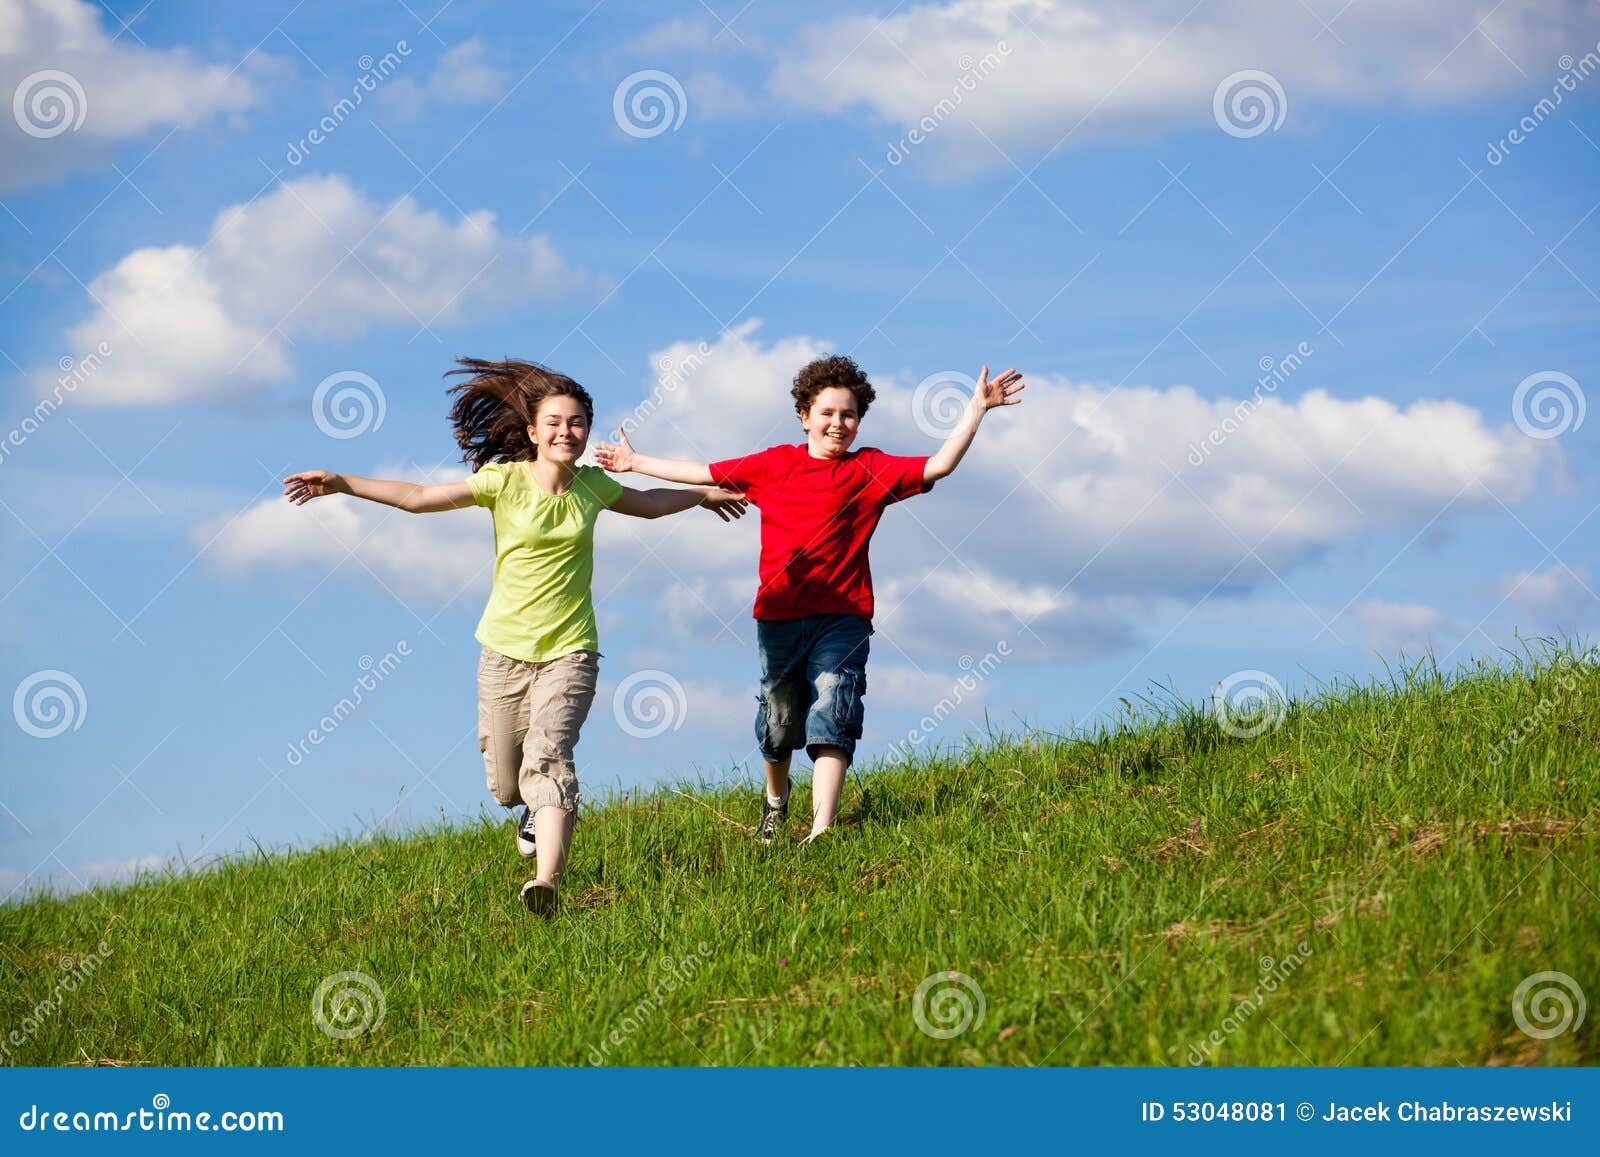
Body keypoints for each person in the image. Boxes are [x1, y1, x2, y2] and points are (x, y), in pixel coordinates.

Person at [283, 358, 747, 912]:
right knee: (507, 785)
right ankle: (531, 808)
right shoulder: (502, 482)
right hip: (503, 652)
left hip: (571, 650)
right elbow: (418, 498)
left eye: (576, 423)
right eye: (554, 422)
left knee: (550, 757)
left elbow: (647, 504)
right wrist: (342, 484)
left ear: (587, 430)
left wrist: (704, 494)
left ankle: (546, 882)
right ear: (532, 432)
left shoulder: (593, 486)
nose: (565, 432)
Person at [593, 355, 1022, 844]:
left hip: (844, 616)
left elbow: (939, 465)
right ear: (805, 416)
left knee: (833, 709)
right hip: (778, 616)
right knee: (778, 725)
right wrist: (635, 461)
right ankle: (776, 801)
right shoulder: (774, 464)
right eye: (828, 413)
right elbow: (702, 472)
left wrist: (976, 411)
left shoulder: (871, 469)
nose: (838, 424)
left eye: (849, 415)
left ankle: (822, 828)